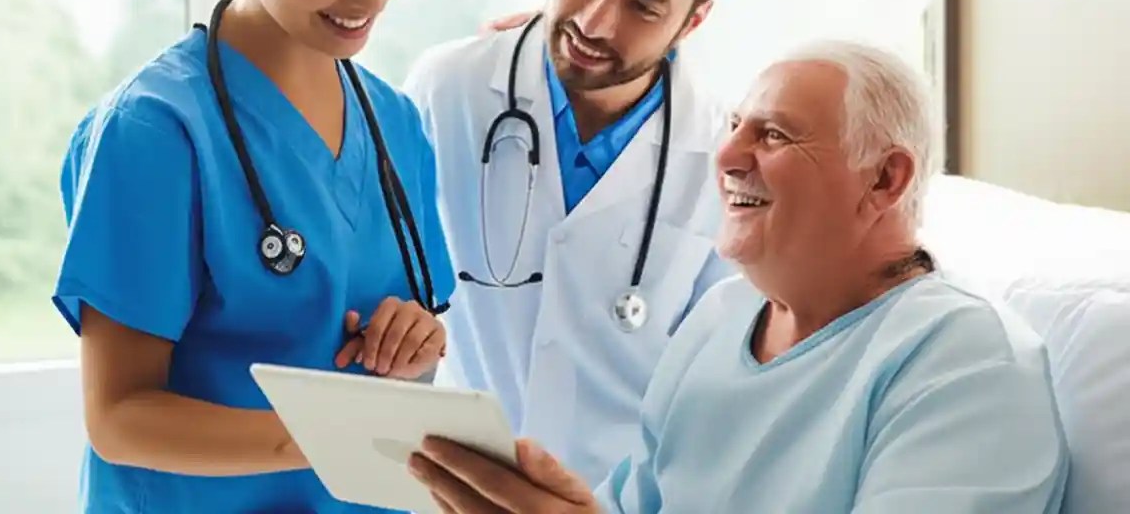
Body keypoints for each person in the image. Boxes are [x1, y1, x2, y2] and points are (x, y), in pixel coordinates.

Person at [408, 41, 1070, 513]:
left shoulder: (966, 363)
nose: (724, 155)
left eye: (775, 135)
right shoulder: (720, 319)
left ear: (884, 179)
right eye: (733, 127)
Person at [51, 0, 455, 511]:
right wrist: (329, 435)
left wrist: (413, 347)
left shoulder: (394, 123)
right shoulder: (155, 131)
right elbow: (118, 416)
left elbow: (406, 359)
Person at [402, 0, 739, 486]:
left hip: (616, 498)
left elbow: (714, 384)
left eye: (643, 7)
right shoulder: (447, 89)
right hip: (449, 482)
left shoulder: (725, 157)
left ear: (693, 21)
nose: (594, 22)